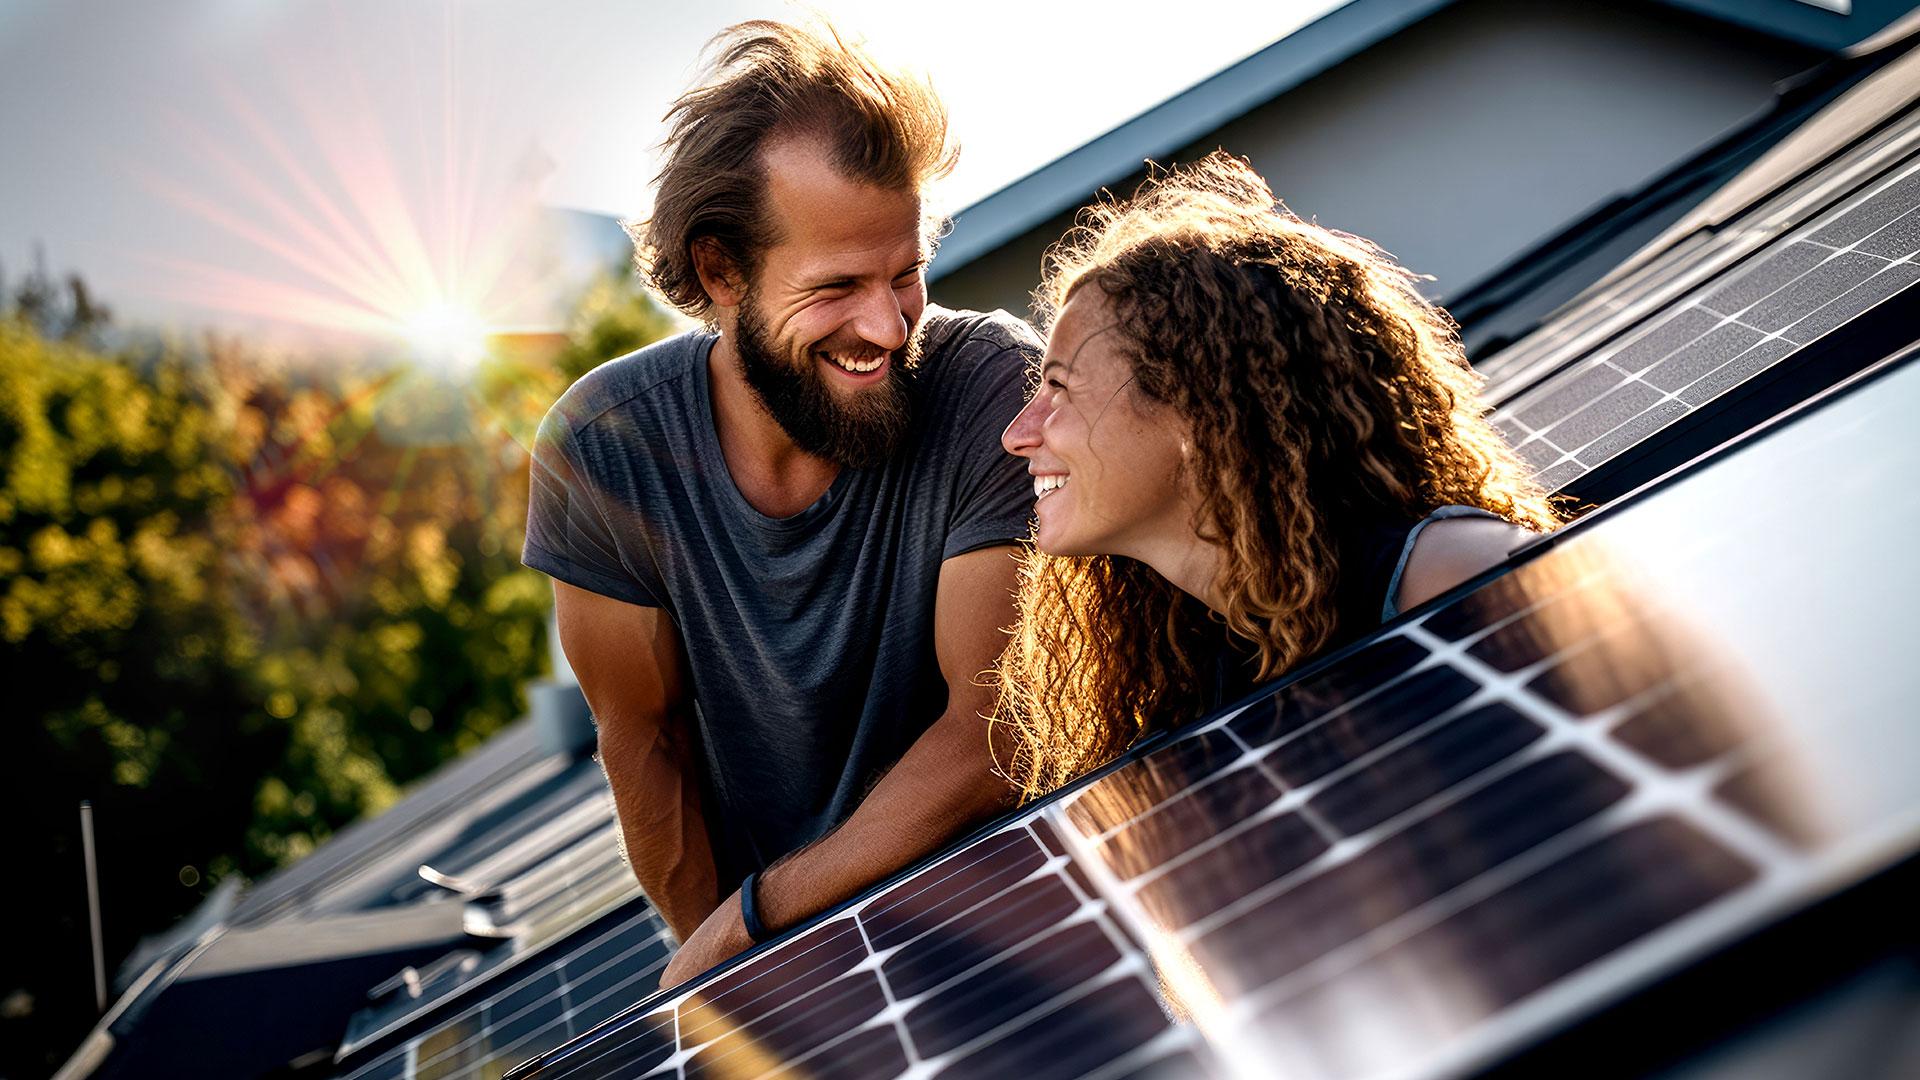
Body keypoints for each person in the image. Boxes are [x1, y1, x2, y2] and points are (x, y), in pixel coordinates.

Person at [523, 18, 1038, 985]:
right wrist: (726, 970)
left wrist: (751, 923)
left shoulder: (989, 391)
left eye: (906, 273)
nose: (887, 327)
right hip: (781, 965)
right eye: (837, 286)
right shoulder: (604, 448)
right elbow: (644, 739)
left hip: (1002, 911)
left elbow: (990, 736)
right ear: (720, 272)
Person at [993, 152, 1564, 802]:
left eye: (1059, 389)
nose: (1018, 434)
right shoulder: (1189, 683)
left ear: (1196, 407)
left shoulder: (1452, 572)